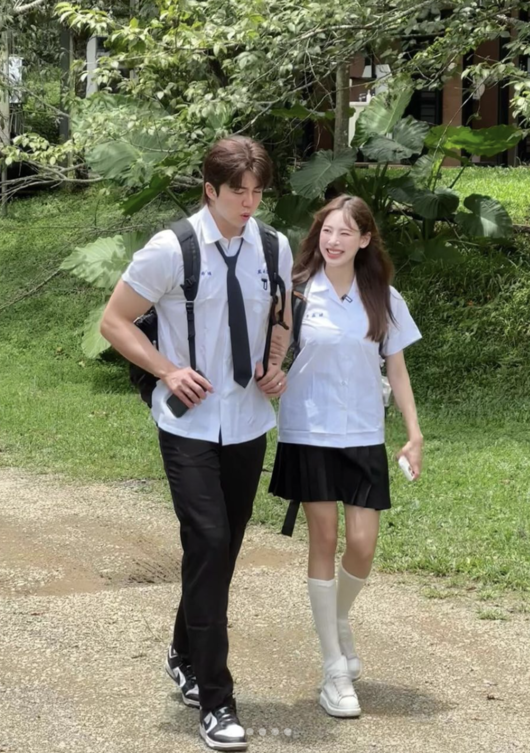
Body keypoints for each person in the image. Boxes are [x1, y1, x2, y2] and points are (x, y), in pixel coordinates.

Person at [100, 136, 292, 751]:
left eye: (257, 192)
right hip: (188, 423)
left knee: (223, 548)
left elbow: (281, 317)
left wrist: (277, 363)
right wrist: (166, 370)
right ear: (210, 190)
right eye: (238, 192)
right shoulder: (170, 249)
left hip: (248, 419)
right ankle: (216, 699)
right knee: (208, 540)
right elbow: (114, 320)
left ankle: (184, 653)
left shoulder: (273, 247)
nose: (249, 203)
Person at [269, 194, 423, 718]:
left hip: (362, 432)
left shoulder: (382, 297)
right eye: (326, 231)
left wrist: (414, 434)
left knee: (362, 544)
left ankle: (336, 621)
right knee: (325, 538)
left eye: (344, 233)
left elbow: (396, 369)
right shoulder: (296, 291)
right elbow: (271, 353)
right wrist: (269, 375)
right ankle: (334, 670)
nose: (332, 241)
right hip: (308, 429)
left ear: (364, 240)